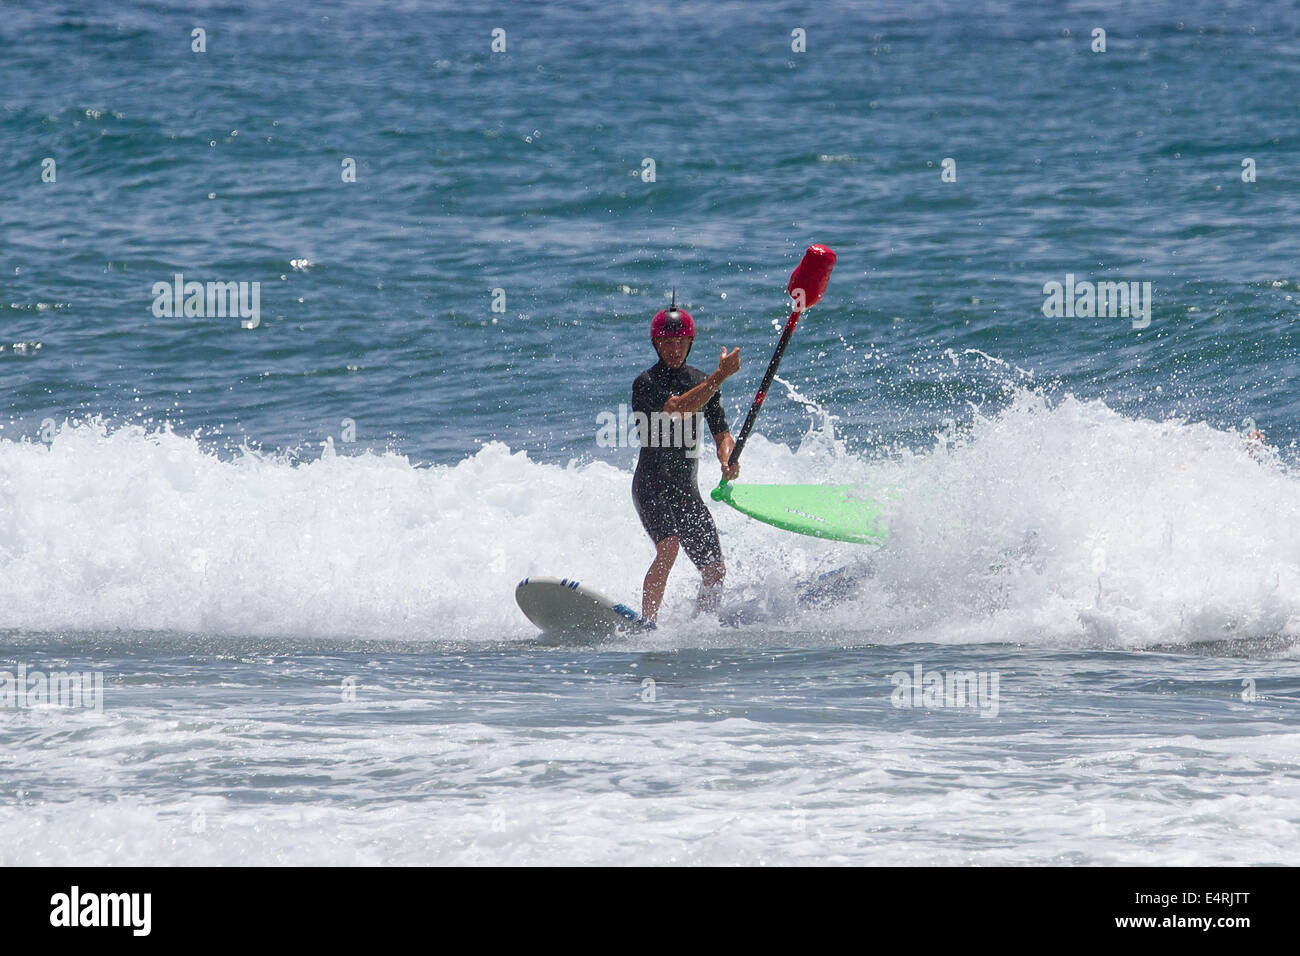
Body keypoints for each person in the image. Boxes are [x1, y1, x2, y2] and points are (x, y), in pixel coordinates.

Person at [631, 291, 741, 622]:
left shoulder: (700, 380)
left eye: (680, 342)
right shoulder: (645, 383)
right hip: (652, 487)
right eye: (667, 342)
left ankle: (700, 626)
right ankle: (646, 623)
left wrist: (727, 458)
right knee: (669, 547)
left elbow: (722, 432)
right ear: (655, 344)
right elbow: (678, 408)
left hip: (685, 491)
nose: (674, 349)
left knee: (715, 570)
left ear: (690, 342)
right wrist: (719, 376)